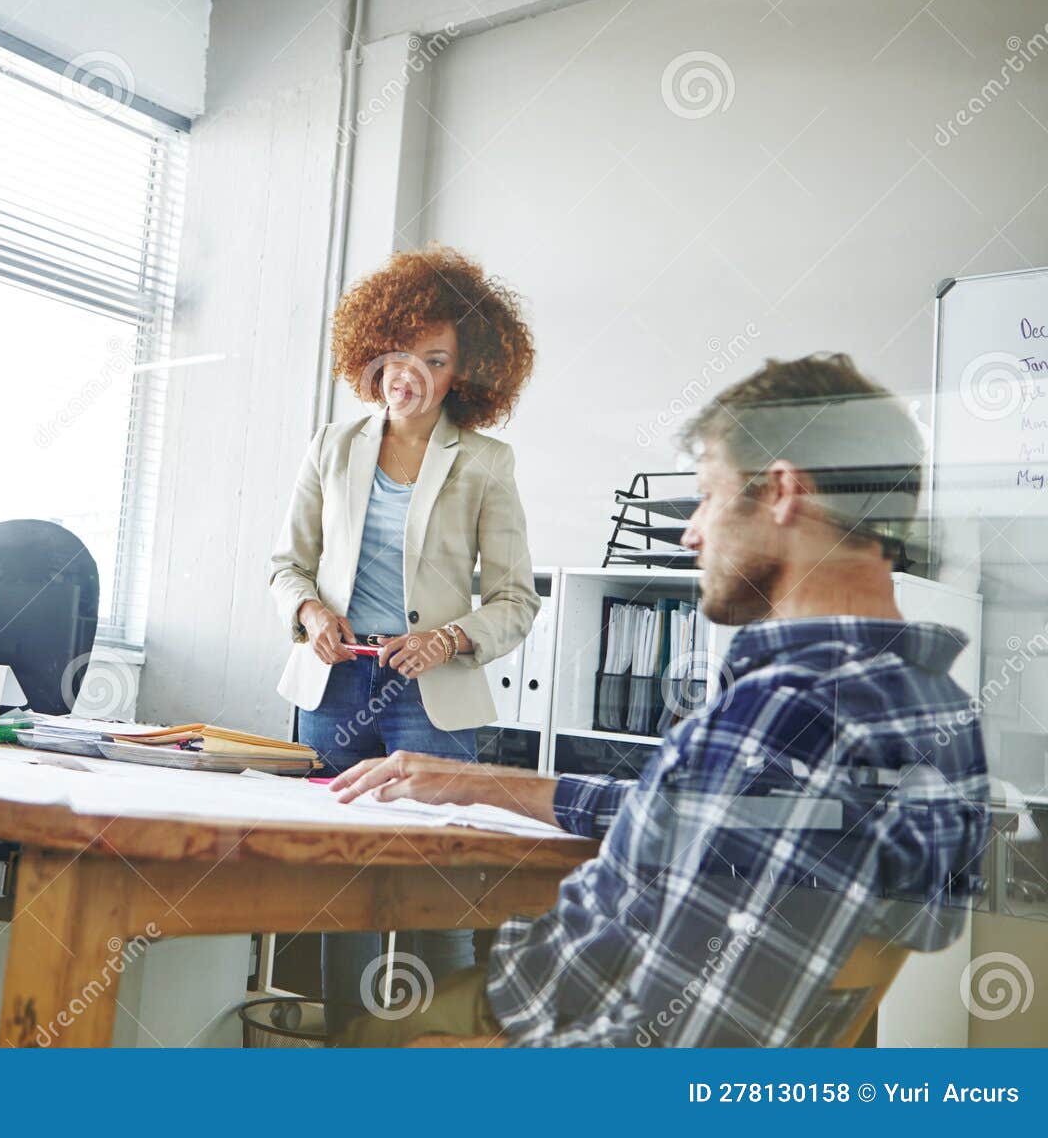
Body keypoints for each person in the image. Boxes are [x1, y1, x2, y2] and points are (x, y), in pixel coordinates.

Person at [329, 353, 991, 1046]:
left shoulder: (783, 714)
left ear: (783, 493)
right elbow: (717, 820)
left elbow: (679, 1049)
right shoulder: (931, 703)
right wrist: (483, 783)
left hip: (546, 1022)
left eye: (708, 495)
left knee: (348, 1041)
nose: (691, 532)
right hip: (566, 996)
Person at [268, 247, 541, 1034]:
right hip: (335, 686)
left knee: (442, 886)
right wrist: (312, 616)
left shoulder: (487, 462)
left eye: (435, 358)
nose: (409, 372)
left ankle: (443, 1051)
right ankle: (350, 1049)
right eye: (398, 352)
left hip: (434, 696)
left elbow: (518, 599)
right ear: (373, 352)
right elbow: (288, 565)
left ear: (466, 373)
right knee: (337, 880)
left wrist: (451, 637)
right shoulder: (332, 446)